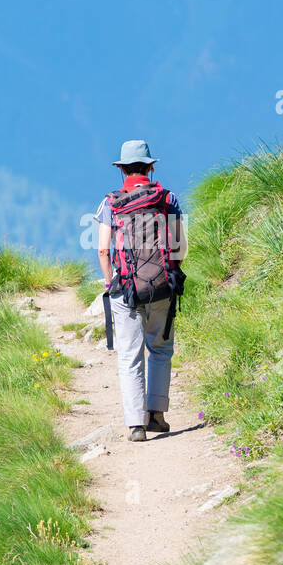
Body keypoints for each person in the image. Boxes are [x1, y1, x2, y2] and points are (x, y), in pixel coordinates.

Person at [95, 139, 186, 442]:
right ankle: (157, 416)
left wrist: (111, 284)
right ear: (150, 167)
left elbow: (102, 251)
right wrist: (167, 273)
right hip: (162, 286)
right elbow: (179, 246)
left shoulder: (111, 203)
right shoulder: (167, 198)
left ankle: (136, 425)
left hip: (126, 290)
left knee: (129, 356)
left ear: (122, 170)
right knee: (160, 349)